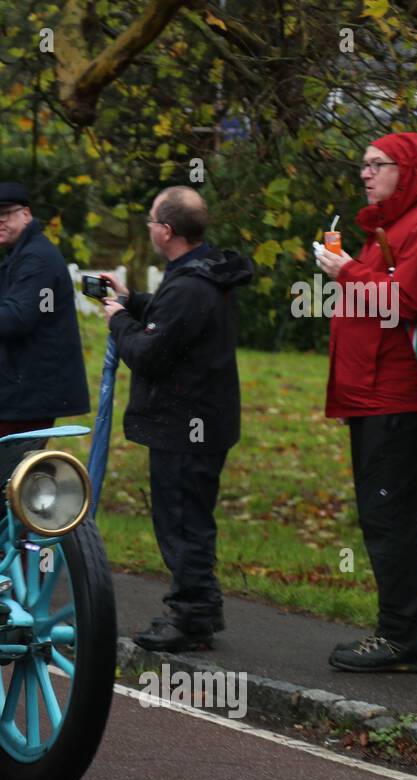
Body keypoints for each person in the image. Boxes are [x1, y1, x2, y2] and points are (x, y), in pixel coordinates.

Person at [316, 133, 417, 673]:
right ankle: (400, 633)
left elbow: (410, 301)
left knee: (388, 516)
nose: (365, 173)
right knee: (381, 516)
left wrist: (346, 271)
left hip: (399, 400)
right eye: (364, 163)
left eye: (378, 164)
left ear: (407, 170)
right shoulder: (386, 228)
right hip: (372, 397)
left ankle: (401, 637)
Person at [102, 186, 253, 652]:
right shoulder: (202, 273)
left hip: (186, 423)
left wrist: (118, 322)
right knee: (191, 518)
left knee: (181, 521)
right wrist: (134, 302)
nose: (149, 228)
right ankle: (200, 609)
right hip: (203, 419)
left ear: (166, 230)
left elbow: (150, 353)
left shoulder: (189, 284)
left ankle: (189, 616)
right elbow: (178, 323)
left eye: (151, 221)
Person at [0, 183, 89, 441]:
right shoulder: (21, 254)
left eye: (3, 214)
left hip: (26, 396)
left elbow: (17, 318)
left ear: (26, 214)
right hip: (18, 392)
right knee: (13, 473)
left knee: (17, 475)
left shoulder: (36, 258)